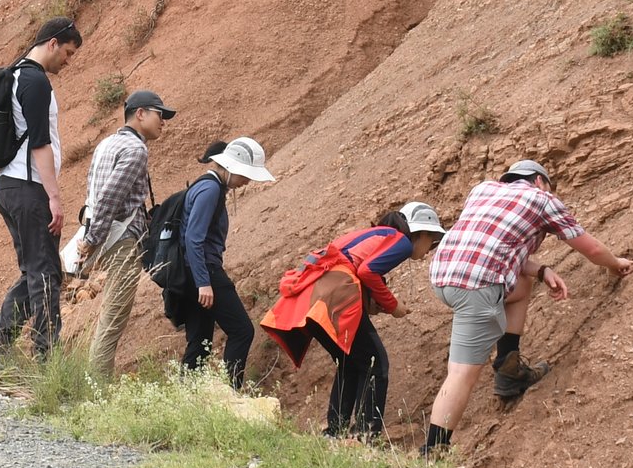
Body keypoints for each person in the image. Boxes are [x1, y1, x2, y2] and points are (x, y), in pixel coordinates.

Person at [420, 158, 632, 456]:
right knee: (461, 374)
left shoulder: (482, 190)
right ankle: (432, 454)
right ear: (539, 181)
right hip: (476, 286)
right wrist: (616, 263)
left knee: (522, 284)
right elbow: (592, 249)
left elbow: (496, 245)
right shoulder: (542, 198)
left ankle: (509, 366)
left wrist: (542, 270)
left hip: (443, 276)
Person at [263, 203, 445, 439]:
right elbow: (367, 272)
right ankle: (366, 435)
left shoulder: (378, 235)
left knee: (348, 364)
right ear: (421, 234)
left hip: (317, 298)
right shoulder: (400, 241)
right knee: (375, 363)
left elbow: (357, 266)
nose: (430, 249)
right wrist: (393, 306)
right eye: (432, 242)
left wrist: (372, 302)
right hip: (336, 296)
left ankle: (335, 431)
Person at [0, 17, 82, 361]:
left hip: (8, 185)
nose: (67, 61)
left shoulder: (14, 74)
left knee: (37, 271)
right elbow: (40, 143)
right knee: (45, 274)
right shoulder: (35, 81)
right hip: (27, 187)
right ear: (53, 43)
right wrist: (54, 197)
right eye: (68, 52)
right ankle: (46, 357)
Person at [82, 88, 174, 376]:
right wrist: (91, 238)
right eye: (160, 114)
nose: (163, 121)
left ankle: (91, 382)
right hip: (121, 239)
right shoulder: (136, 150)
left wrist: (92, 236)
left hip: (107, 237)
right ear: (141, 114)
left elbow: (93, 193)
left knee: (109, 315)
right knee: (114, 317)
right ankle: (97, 390)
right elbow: (110, 197)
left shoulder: (107, 144)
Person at [174, 135, 275, 387]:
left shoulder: (207, 186)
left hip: (191, 272)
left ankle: (185, 398)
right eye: (245, 174)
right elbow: (194, 239)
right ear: (231, 167)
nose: (247, 181)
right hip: (204, 271)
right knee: (242, 330)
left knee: (200, 341)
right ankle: (231, 394)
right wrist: (204, 283)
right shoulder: (211, 190)